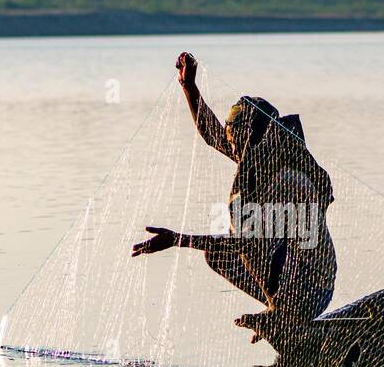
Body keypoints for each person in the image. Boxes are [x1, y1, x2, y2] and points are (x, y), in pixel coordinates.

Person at [131, 52, 337, 343]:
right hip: (289, 279)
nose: (231, 147)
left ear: (252, 137)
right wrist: (189, 87)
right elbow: (212, 135)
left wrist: (178, 239)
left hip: (312, 287)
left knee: (239, 240)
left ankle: (284, 314)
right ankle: (278, 309)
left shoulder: (289, 178)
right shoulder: (262, 158)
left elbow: (247, 243)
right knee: (215, 253)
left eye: (235, 139)